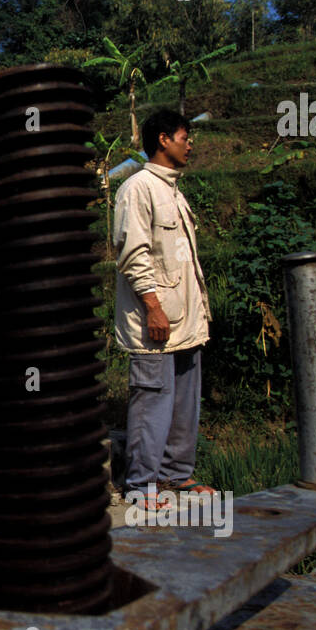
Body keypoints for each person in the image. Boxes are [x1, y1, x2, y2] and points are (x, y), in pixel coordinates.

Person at [112, 108, 217, 510]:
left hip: (187, 321)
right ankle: (140, 487)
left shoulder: (173, 190)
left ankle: (176, 475)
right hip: (155, 320)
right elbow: (133, 255)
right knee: (152, 399)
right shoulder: (137, 188)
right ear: (162, 140)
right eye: (184, 136)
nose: (190, 144)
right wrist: (154, 308)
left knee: (184, 403)